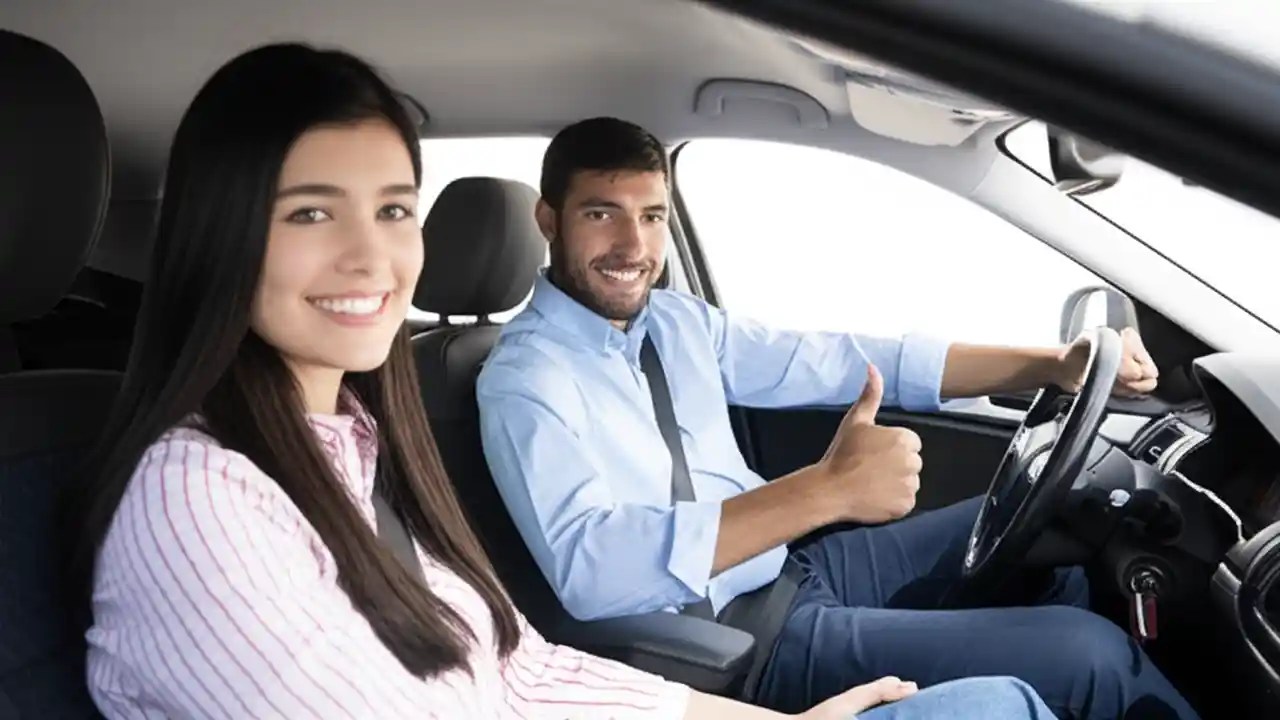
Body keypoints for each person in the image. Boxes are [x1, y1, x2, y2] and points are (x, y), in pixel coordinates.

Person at [63, 44, 1053, 720]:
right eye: (312, 215)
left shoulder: (359, 447)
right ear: (223, 235)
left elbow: (516, 669)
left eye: (396, 209)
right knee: (1028, 687)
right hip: (719, 622)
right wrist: (820, 496)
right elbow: (572, 594)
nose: (373, 258)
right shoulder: (198, 498)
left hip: (771, 597)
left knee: (1019, 659)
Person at [475, 117, 1201, 720]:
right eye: (602, 214)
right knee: (1090, 656)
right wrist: (824, 492)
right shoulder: (522, 380)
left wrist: (1048, 363)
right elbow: (591, 571)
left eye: (652, 216)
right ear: (549, 220)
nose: (634, 247)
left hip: (795, 570)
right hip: (729, 642)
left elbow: (838, 358)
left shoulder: (675, 322)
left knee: (1052, 539)